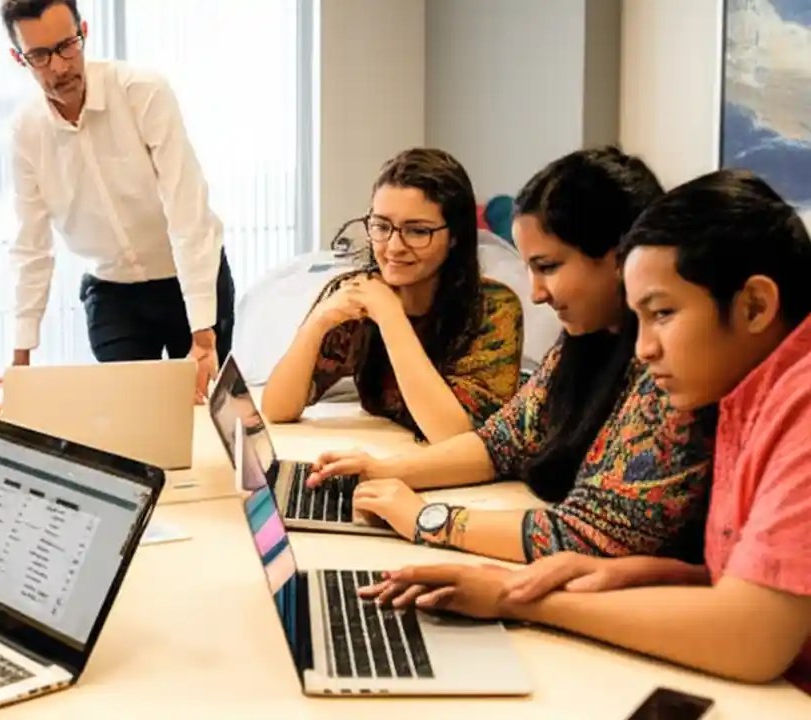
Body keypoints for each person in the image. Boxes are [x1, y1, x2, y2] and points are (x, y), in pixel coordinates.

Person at [364, 170, 811, 691]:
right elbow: (758, 589)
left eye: (663, 314)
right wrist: (648, 574)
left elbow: (751, 638)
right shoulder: (748, 390)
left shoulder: (797, 403)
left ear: (755, 306)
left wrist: (521, 598)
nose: (644, 349)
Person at [306, 147, 712, 563]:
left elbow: (598, 532)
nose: (536, 293)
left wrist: (429, 519)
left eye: (548, 267)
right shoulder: (586, 340)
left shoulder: (668, 367)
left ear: (619, 258)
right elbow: (505, 440)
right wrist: (383, 470)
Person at [2, 0, 234, 401]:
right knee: (132, 421)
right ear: (19, 58)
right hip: (113, 293)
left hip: (190, 277)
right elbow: (31, 247)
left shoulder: (142, 91)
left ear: (84, 32)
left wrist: (202, 334)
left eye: (66, 46)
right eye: (39, 55)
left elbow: (187, 211)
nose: (58, 67)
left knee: (207, 412)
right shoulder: (26, 131)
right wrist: (20, 360)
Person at [262, 148, 524, 443]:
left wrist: (390, 316)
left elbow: (452, 435)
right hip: (387, 455)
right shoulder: (359, 293)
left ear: (455, 236)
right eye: (381, 226)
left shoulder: (494, 308)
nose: (393, 246)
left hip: (460, 476)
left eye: (417, 231)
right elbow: (277, 409)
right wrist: (317, 322)